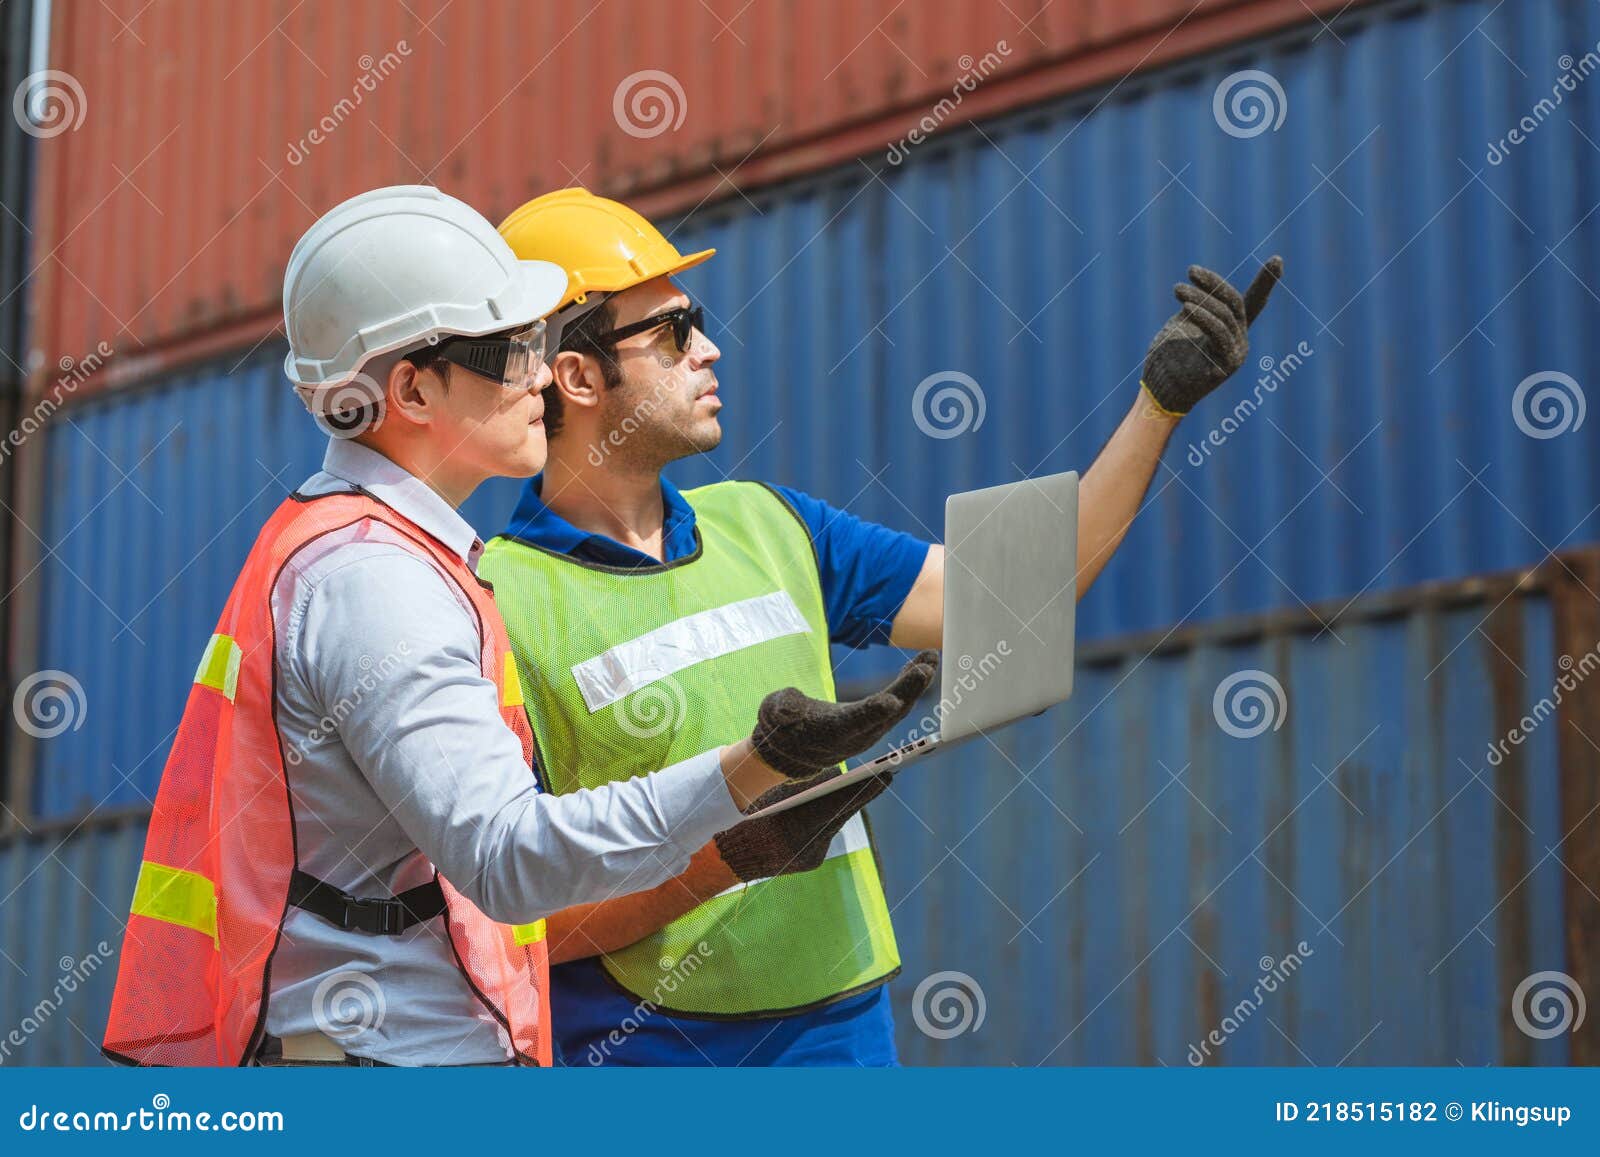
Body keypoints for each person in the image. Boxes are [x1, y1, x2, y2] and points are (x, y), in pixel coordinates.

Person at [98, 185, 936, 1068]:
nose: (541, 374)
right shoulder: (375, 582)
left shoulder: (362, 552)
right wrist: (756, 767)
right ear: (414, 388)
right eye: (508, 349)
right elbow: (506, 856)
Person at [483, 187, 1283, 1066]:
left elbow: (1015, 597)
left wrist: (1158, 407)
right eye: (673, 333)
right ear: (581, 376)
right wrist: (725, 859)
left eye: (696, 322)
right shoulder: (494, 602)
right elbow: (512, 927)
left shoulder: (768, 524)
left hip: (846, 1036)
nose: (709, 349)